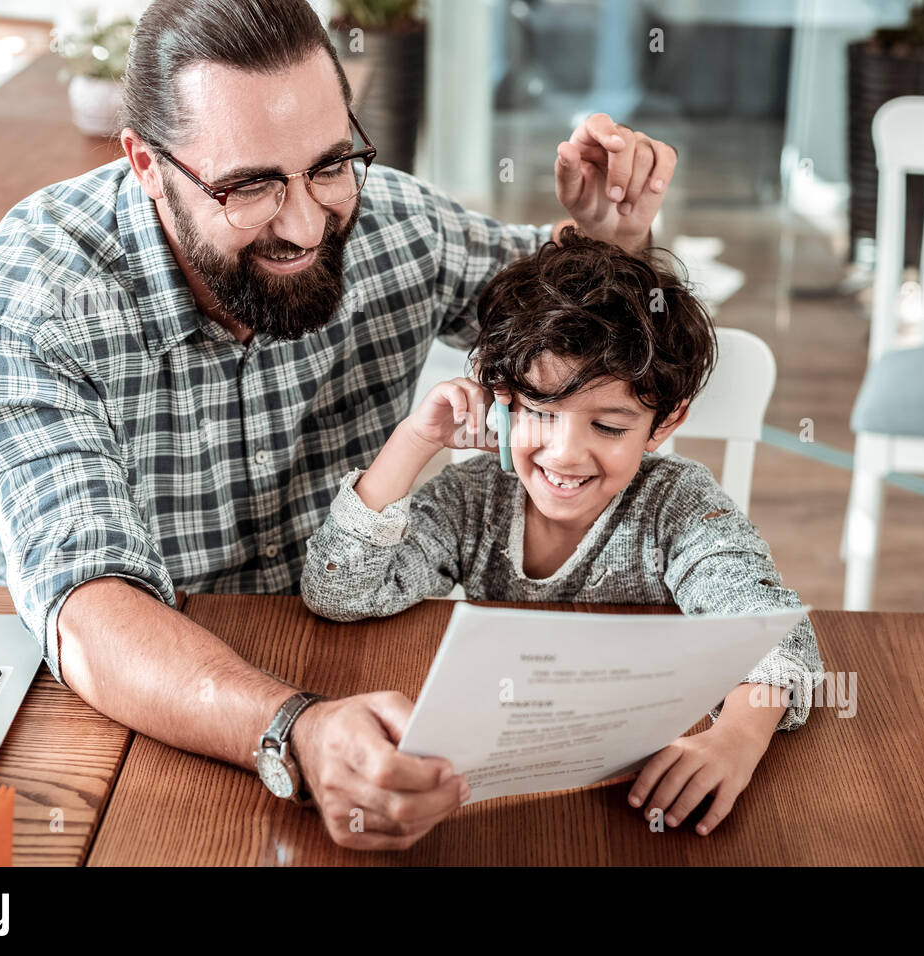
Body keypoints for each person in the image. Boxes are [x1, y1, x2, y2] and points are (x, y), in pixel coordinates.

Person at [0, 0, 677, 851]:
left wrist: (611, 240)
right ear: (146, 165)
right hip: (38, 666)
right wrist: (295, 731)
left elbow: (567, 321)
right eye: (250, 186)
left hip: (311, 648)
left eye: (329, 165)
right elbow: (88, 607)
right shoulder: (31, 298)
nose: (305, 224)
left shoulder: (396, 225)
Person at [300, 228, 823, 836]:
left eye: (608, 426)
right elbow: (340, 591)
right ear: (503, 400)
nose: (566, 455)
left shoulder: (677, 507)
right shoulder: (474, 499)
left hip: (633, 784)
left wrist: (735, 738)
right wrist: (416, 440)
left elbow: (775, 636)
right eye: (541, 414)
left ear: (663, 423)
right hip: (504, 792)